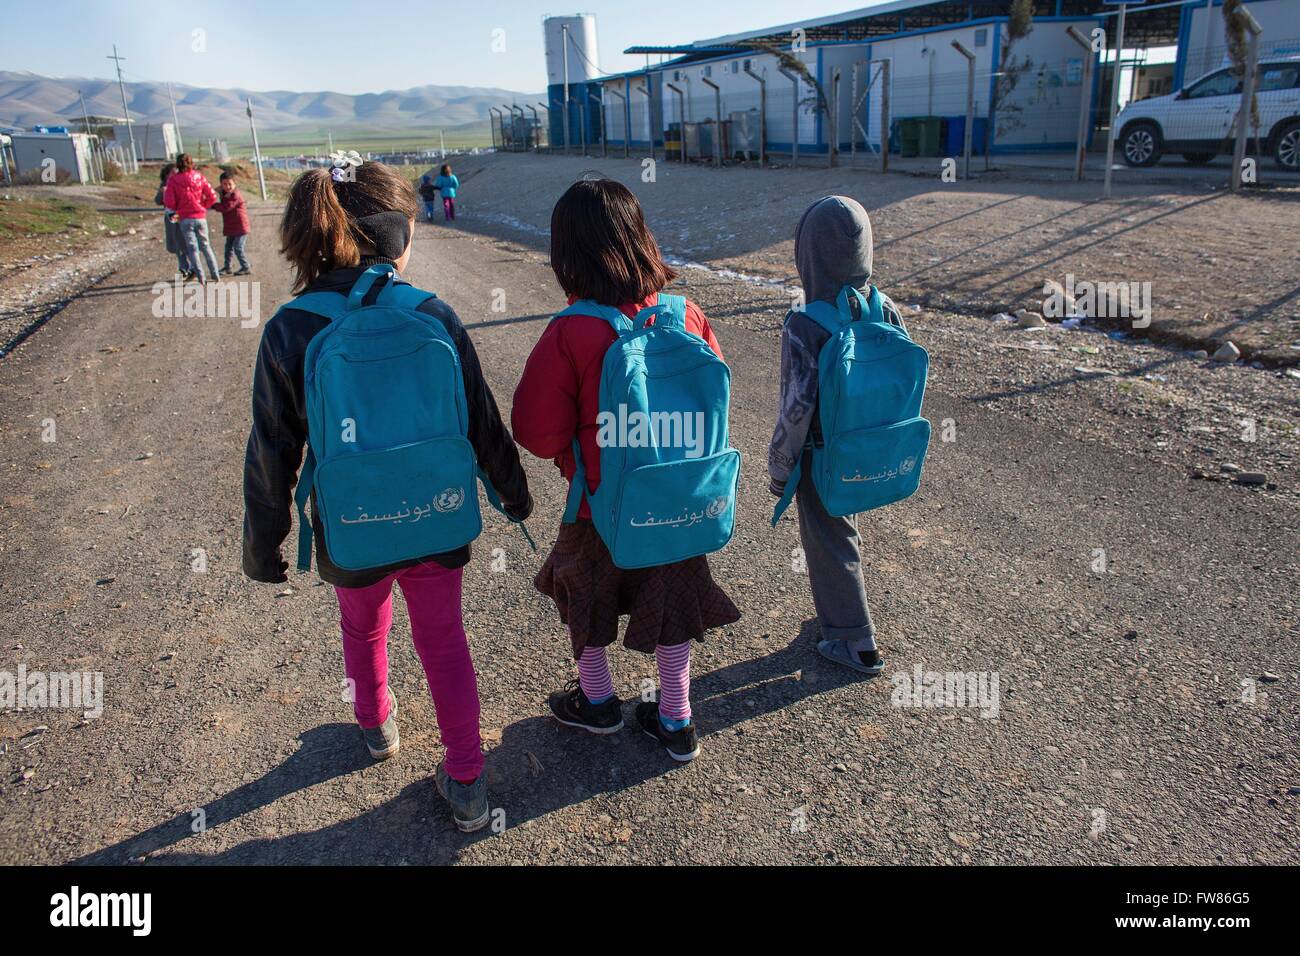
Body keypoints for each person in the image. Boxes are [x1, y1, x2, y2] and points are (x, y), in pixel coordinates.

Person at [240, 160, 532, 831]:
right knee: (443, 639)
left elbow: (271, 451)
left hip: (353, 524)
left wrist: (264, 546)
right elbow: (481, 423)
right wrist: (513, 498)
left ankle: (375, 726)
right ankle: (466, 779)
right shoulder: (432, 313)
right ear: (397, 234)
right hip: (435, 520)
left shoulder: (291, 328)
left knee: (362, 624)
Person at [512, 179, 739, 763]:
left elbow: (535, 433)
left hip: (597, 503)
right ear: (640, 238)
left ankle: (599, 703)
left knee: (584, 597)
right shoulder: (685, 313)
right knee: (671, 602)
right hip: (679, 498)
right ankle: (676, 719)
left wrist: (574, 452)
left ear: (568, 255)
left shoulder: (573, 329)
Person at [767, 196, 904, 676]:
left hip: (824, 456)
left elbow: (795, 409)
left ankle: (853, 639)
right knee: (843, 529)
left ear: (808, 255)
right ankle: (843, 617)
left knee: (828, 538)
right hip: (873, 446)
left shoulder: (807, 323)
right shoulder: (882, 307)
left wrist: (780, 471)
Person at [163, 153, 221, 283]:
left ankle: (201, 277)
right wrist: (202, 206)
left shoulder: (173, 180)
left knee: (192, 248)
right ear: (191, 163)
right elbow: (212, 196)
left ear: (177, 164)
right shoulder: (199, 177)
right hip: (200, 216)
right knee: (206, 246)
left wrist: (179, 207)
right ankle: (215, 274)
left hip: (185, 218)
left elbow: (169, 202)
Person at [154, 163, 191, 278]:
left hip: (183, 215)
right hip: (171, 219)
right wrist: (162, 192)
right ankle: (183, 268)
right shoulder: (164, 185)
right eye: (171, 174)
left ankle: (193, 268)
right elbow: (158, 201)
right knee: (177, 244)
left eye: (176, 173)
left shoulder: (182, 184)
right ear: (166, 175)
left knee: (186, 243)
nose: (174, 176)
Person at [212, 171, 251, 276]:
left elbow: (226, 207)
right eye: (224, 184)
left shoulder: (235, 194)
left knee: (238, 247)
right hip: (232, 227)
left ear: (235, 184)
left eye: (230, 184)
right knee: (228, 248)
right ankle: (227, 267)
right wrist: (218, 193)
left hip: (240, 227)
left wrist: (213, 205)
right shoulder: (226, 194)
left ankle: (245, 266)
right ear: (221, 184)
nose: (227, 186)